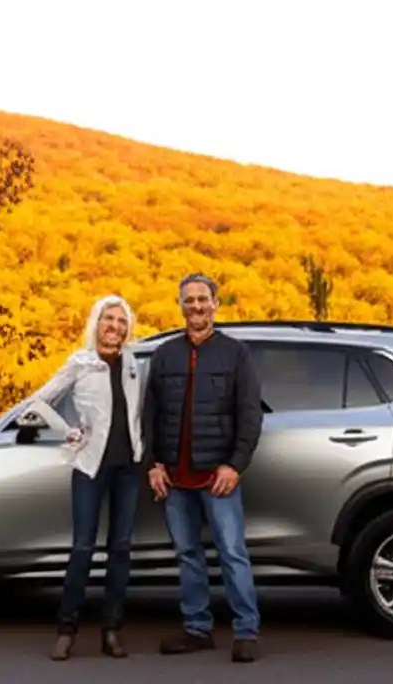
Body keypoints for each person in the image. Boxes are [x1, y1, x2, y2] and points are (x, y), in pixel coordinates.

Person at [143, 272, 264, 663]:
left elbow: (250, 415)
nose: (196, 306)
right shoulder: (165, 354)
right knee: (187, 554)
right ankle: (197, 628)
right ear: (180, 305)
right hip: (176, 479)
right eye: (189, 300)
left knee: (232, 552)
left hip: (218, 477)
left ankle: (246, 631)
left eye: (202, 299)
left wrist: (235, 465)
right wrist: (154, 465)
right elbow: (151, 414)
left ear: (215, 303)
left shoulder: (235, 353)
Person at [23, 294, 144, 661]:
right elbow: (38, 403)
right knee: (82, 548)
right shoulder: (81, 363)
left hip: (127, 467)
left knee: (121, 548)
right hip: (90, 466)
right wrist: (68, 431)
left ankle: (112, 630)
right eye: (109, 319)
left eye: (122, 321)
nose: (115, 327)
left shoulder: (133, 364)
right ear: (97, 323)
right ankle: (66, 630)